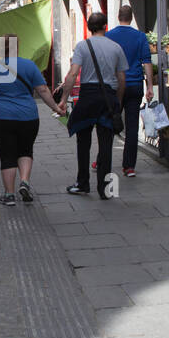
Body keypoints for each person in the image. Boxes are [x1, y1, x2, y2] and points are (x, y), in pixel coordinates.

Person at [0, 34, 64, 206]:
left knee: (7, 154)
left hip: (2, 117)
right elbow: (43, 90)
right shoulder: (29, 66)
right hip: (28, 116)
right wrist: (55, 108)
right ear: (18, 47)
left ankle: (9, 195)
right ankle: (24, 182)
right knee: (25, 150)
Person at [59, 12, 127, 198]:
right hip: (108, 97)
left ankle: (82, 183)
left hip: (88, 96)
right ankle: (105, 189)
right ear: (105, 26)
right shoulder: (116, 48)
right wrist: (118, 103)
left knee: (83, 142)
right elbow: (122, 79)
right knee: (106, 145)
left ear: (89, 27)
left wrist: (64, 99)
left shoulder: (82, 46)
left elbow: (73, 75)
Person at [106, 5, 155, 179]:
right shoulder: (140, 36)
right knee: (132, 127)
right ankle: (129, 167)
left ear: (118, 16)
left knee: (110, 122)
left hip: (115, 86)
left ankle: (102, 160)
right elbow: (147, 62)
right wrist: (149, 86)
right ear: (132, 18)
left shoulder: (109, 36)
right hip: (134, 85)